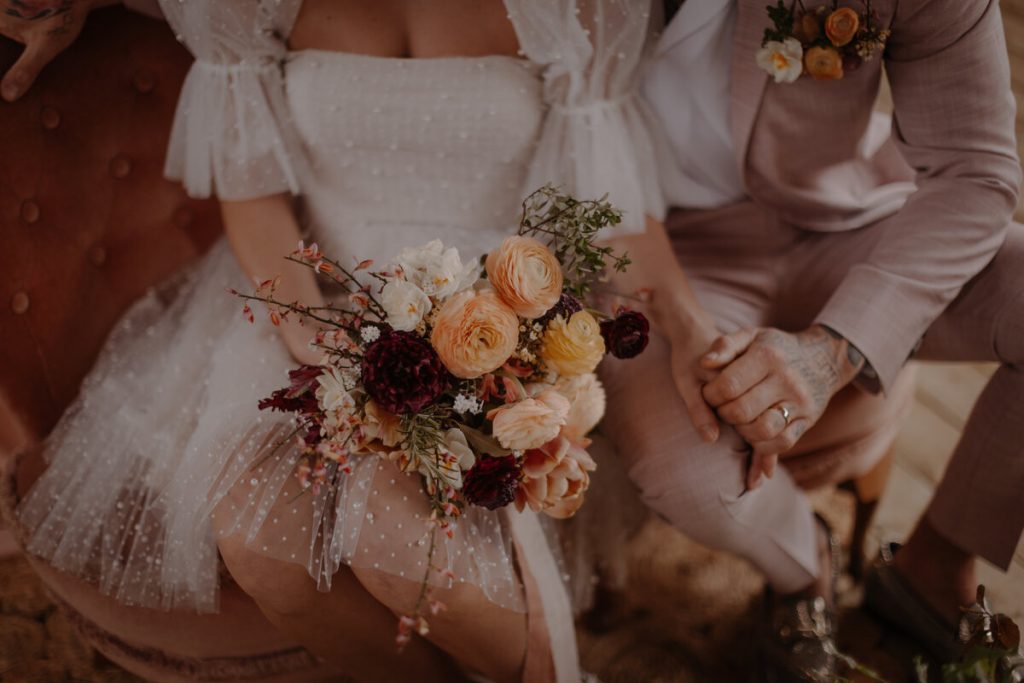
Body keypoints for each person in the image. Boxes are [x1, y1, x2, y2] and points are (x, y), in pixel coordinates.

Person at [12, 1, 663, 681]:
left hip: (489, 314)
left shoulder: (578, 10)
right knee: (260, 544)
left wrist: (510, 345)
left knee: (390, 539)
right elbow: (252, 186)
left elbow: (596, 193)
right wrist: (305, 326)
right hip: (307, 296)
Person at [600, 0, 1024, 680]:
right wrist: (679, 315)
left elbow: (976, 170)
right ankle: (807, 567)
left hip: (845, 217)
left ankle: (934, 566)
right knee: (685, 466)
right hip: (663, 247)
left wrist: (835, 348)